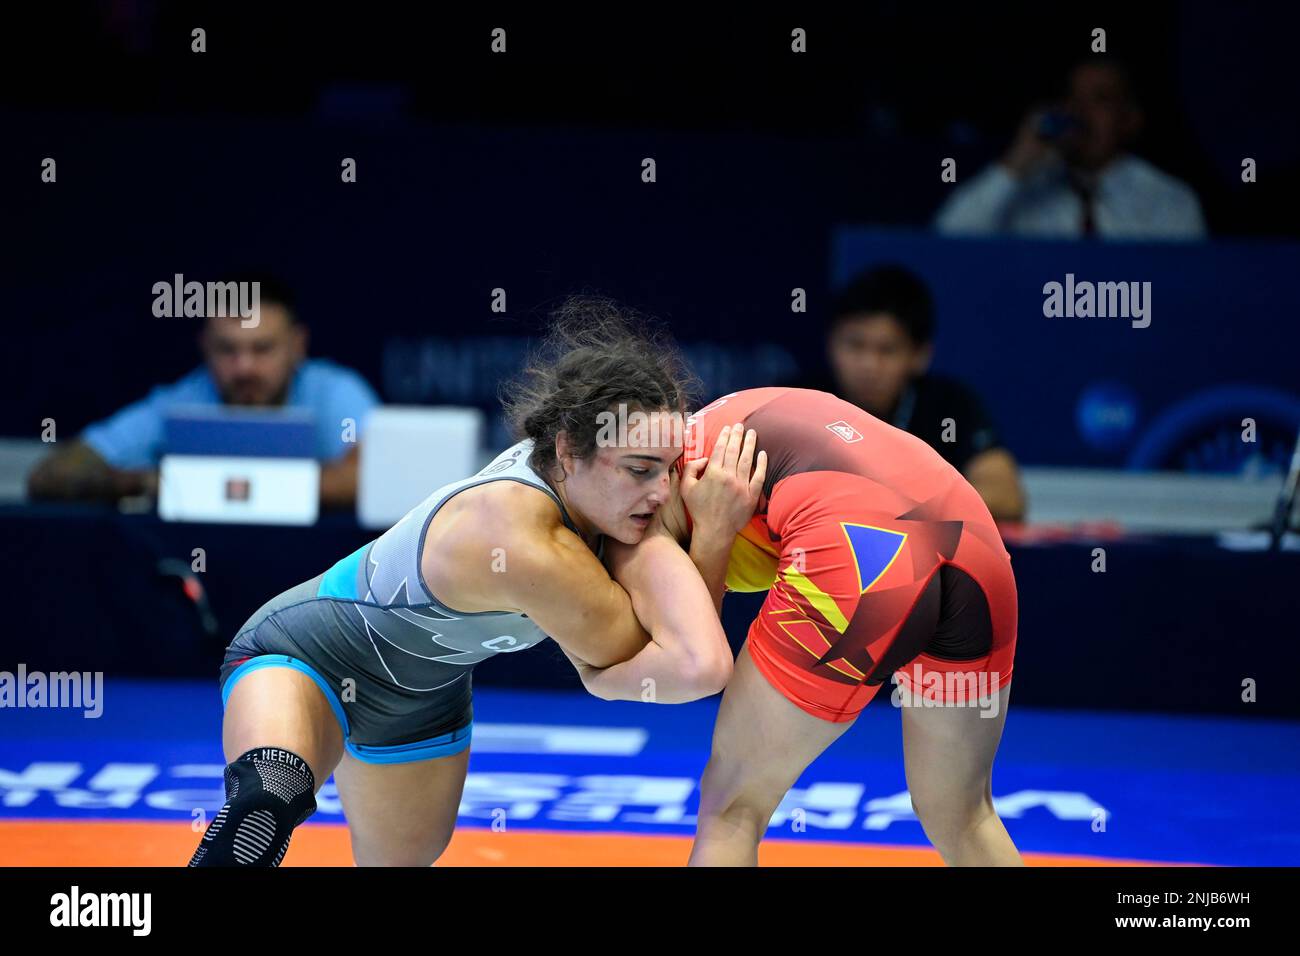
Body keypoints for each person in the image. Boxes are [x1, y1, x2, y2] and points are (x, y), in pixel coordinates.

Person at [188, 296, 765, 866]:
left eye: (670, 470)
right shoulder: (524, 542)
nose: (663, 494)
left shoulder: (597, 497)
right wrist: (712, 535)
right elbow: (682, 661)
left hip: (425, 700)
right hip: (307, 653)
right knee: (270, 794)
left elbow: (671, 658)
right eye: (641, 471)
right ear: (568, 452)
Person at [577, 386, 1022, 865]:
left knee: (732, 808)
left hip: (864, 551)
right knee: (962, 815)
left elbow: (694, 663)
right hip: (975, 541)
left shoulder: (630, 519)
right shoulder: (687, 439)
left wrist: (599, 680)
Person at [27, 274, 378, 510]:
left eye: (262, 349)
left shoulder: (336, 391)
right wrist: (142, 482)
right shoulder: (181, 401)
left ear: (298, 345)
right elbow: (51, 476)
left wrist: (200, 487)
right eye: (227, 350)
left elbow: (372, 477)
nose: (244, 368)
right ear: (205, 346)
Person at [801, 265, 1025, 521]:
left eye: (887, 350)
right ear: (831, 343)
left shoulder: (950, 405)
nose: (869, 365)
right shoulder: (798, 401)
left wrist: (893, 500)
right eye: (855, 345)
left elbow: (1007, 497)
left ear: (920, 355)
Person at [934, 58, 1206, 240]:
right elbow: (948, 238)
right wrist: (1017, 163)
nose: (1080, 112)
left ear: (1130, 119)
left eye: (1100, 99)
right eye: (1072, 98)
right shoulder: (1027, 192)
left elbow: (1186, 295)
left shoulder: (1170, 201)